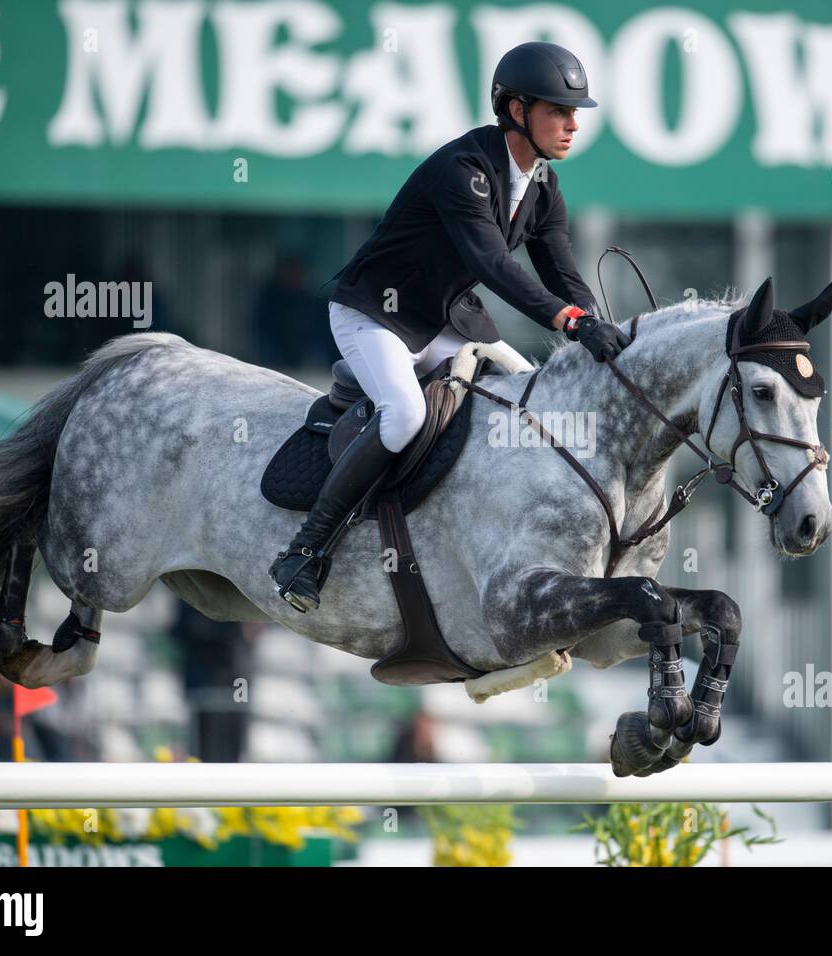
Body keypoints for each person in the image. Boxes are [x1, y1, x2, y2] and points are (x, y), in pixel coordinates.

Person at [270, 41, 631, 613]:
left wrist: (596, 328)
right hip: (375, 316)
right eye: (557, 112)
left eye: (574, 114)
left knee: (526, 390)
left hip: (442, 319)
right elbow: (494, 265)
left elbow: (561, 269)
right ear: (516, 112)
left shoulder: (543, 187)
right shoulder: (462, 171)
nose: (571, 125)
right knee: (406, 413)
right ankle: (305, 551)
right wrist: (570, 321)